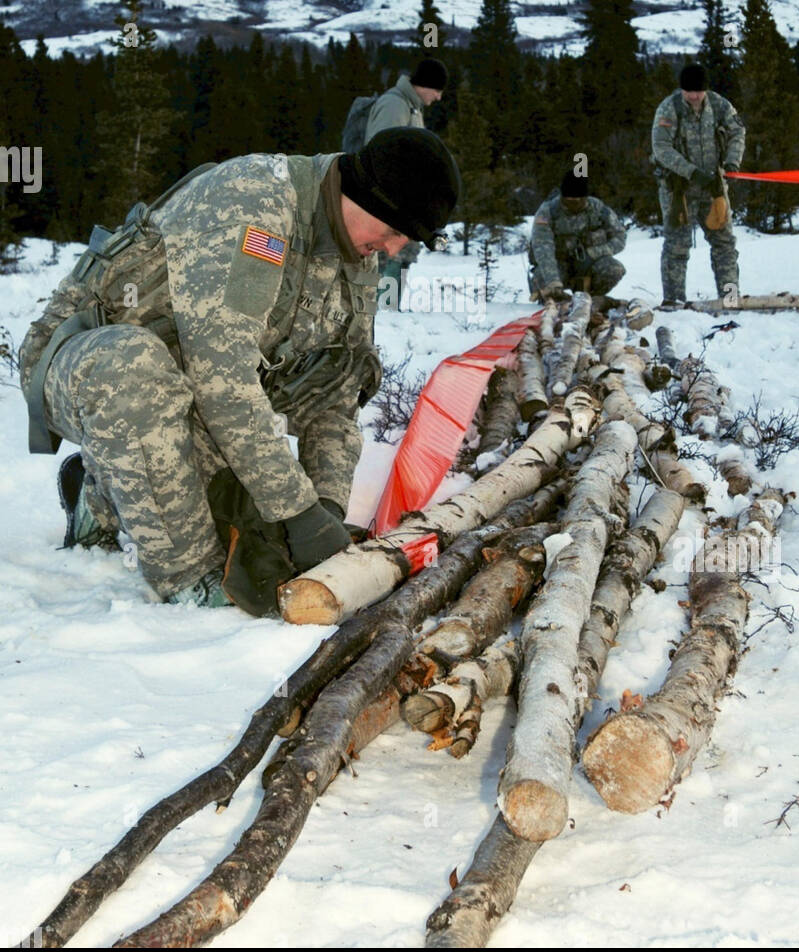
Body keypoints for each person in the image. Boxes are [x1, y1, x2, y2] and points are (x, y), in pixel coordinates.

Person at [18, 129, 460, 616]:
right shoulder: (256, 204)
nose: (394, 250)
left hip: (183, 380)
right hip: (84, 361)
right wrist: (296, 509)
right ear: (361, 196)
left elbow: (336, 385)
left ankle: (101, 492)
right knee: (136, 368)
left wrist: (326, 507)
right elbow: (221, 379)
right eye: (395, 232)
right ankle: (187, 577)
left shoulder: (358, 251)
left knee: (236, 512)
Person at [651, 63, 746, 305]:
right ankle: (673, 302)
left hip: (714, 188)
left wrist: (732, 162)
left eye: (698, 91)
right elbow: (661, 148)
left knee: (724, 244)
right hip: (678, 190)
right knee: (677, 246)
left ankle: (730, 298)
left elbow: (737, 131)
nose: (694, 96)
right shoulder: (668, 109)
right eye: (689, 91)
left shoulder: (719, 104)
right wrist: (691, 172)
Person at [365, 58, 448, 309]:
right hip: (388, 201)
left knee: (401, 255)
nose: (439, 97)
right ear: (424, 85)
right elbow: (382, 155)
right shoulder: (395, 105)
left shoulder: (411, 108)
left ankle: (389, 308)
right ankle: (380, 310)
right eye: (437, 90)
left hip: (402, 200)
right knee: (388, 255)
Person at [528, 169, 627, 303]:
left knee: (614, 269)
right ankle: (555, 300)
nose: (574, 204)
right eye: (569, 201)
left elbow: (620, 237)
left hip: (589, 265)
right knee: (542, 280)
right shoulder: (548, 211)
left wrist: (594, 253)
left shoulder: (598, 208)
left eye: (578, 200)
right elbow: (542, 248)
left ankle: (591, 300)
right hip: (558, 265)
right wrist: (553, 281)